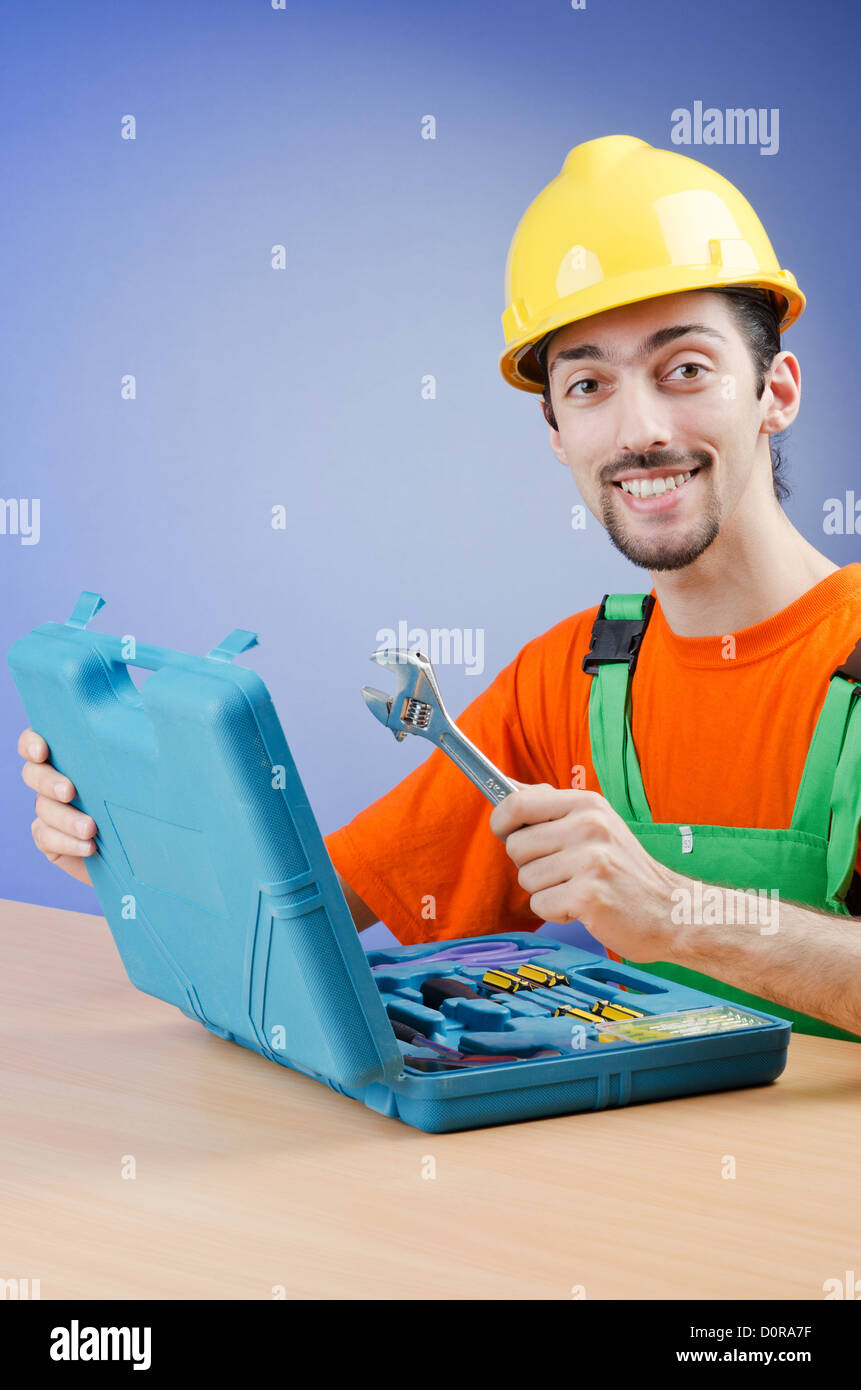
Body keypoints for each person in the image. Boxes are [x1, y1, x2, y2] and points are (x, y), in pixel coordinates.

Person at [17, 135, 861, 1041]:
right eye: (587, 385)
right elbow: (306, 913)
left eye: (685, 369)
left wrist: (679, 912)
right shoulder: (571, 680)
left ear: (775, 390)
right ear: (554, 431)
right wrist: (138, 845)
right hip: (649, 1169)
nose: (639, 429)